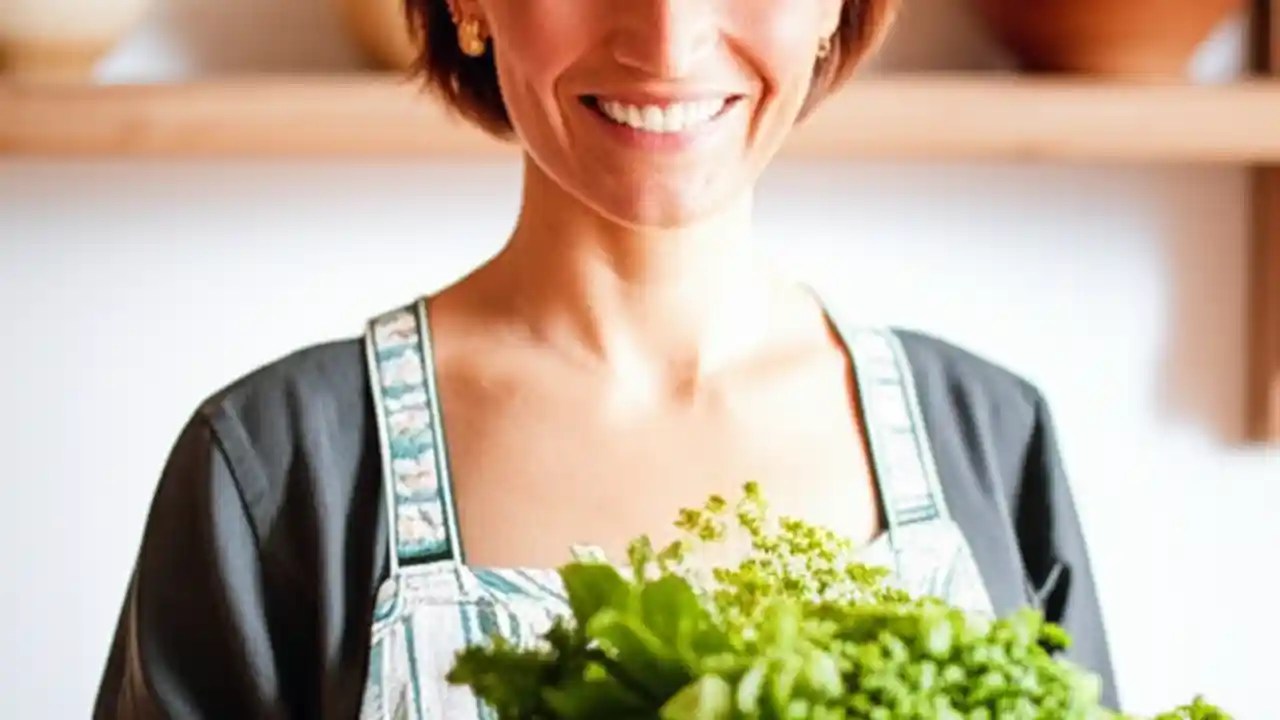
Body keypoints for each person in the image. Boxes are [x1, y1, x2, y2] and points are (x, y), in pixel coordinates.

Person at [94, 0, 1118, 716]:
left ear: (831, 8)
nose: (666, 40)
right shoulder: (275, 470)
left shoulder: (989, 441)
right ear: (470, 1)